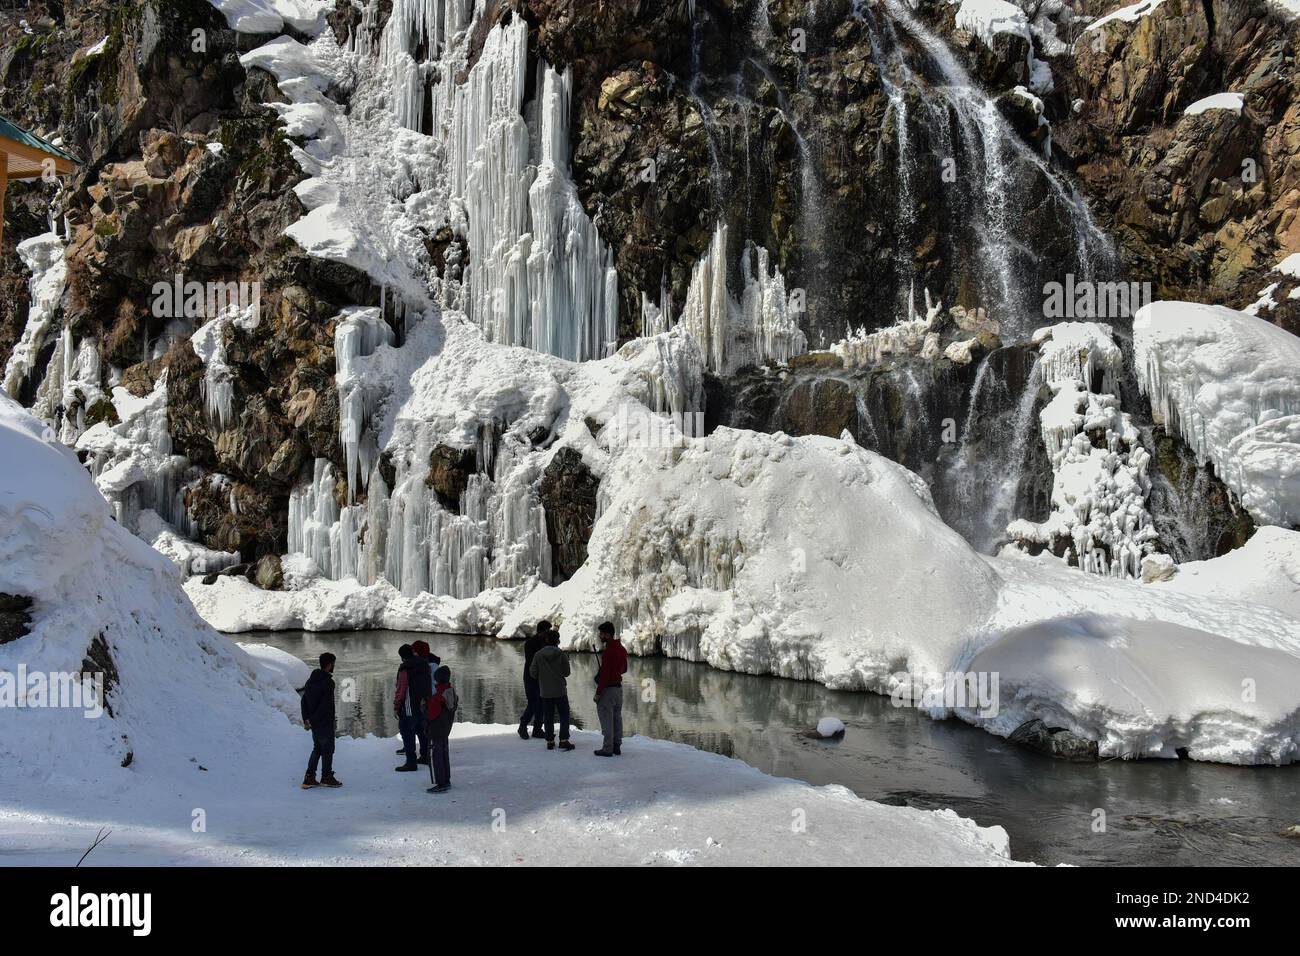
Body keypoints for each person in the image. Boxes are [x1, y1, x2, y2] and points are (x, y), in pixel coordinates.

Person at [301, 652, 342, 788]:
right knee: (328, 749)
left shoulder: (310, 680)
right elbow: (325, 705)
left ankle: (309, 777)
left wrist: (307, 718)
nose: (333, 666)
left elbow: (303, 701)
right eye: (333, 664)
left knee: (317, 749)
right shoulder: (328, 682)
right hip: (324, 723)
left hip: (314, 723)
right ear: (330, 665)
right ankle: (327, 777)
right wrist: (313, 719)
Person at [530, 630, 574, 751]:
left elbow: (533, 673)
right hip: (560, 690)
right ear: (557, 640)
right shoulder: (561, 654)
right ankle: (564, 740)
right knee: (564, 715)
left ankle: (550, 741)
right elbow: (567, 673)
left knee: (548, 716)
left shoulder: (538, 655)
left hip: (545, 691)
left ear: (546, 640)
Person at [394, 644, 432, 772]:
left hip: (409, 706)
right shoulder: (425, 664)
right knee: (422, 730)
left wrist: (397, 706)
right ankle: (425, 756)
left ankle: (411, 762)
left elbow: (401, 689)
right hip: (423, 704)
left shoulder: (405, 668)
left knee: (407, 732)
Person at [593, 621, 627, 757]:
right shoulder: (621, 649)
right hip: (618, 690)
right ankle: (617, 746)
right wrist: (615, 672)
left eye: (601, 634)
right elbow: (624, 669)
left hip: (608, 690)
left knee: (607, 719)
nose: (600, 636)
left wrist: (598, 693)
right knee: (617, 718)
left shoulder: (608, 652)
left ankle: (607, 748)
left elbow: (605, 676)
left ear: (607, 635)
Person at [425, 665, 458, 793]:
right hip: (446, 728)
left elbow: (431, 715)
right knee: (444, 753)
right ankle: (446, 779)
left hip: (437, 729)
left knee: (437, 755)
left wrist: (425, 706)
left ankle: (441, 782)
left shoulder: (437, 697)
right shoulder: (451, 692)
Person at [517, 621, 551, 740]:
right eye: (547, 631)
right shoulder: (530, 643)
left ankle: (537, 729)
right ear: (542, 631)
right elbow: (533, 661)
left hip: (541, 678)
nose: (548, 633)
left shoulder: (545, 642)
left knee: (541, 704)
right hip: (531, 678)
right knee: (533, 703)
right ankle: (522, 726)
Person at [411, 641, 438, 763]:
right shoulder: (424, 664)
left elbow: (433, 686)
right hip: (423, 701)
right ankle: (424, 753)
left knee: (423, 728)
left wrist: (425, 697)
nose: (413, 653)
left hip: (427, 702)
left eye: (415, 651)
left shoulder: (430, 666)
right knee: (420, 728)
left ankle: (425, 754)